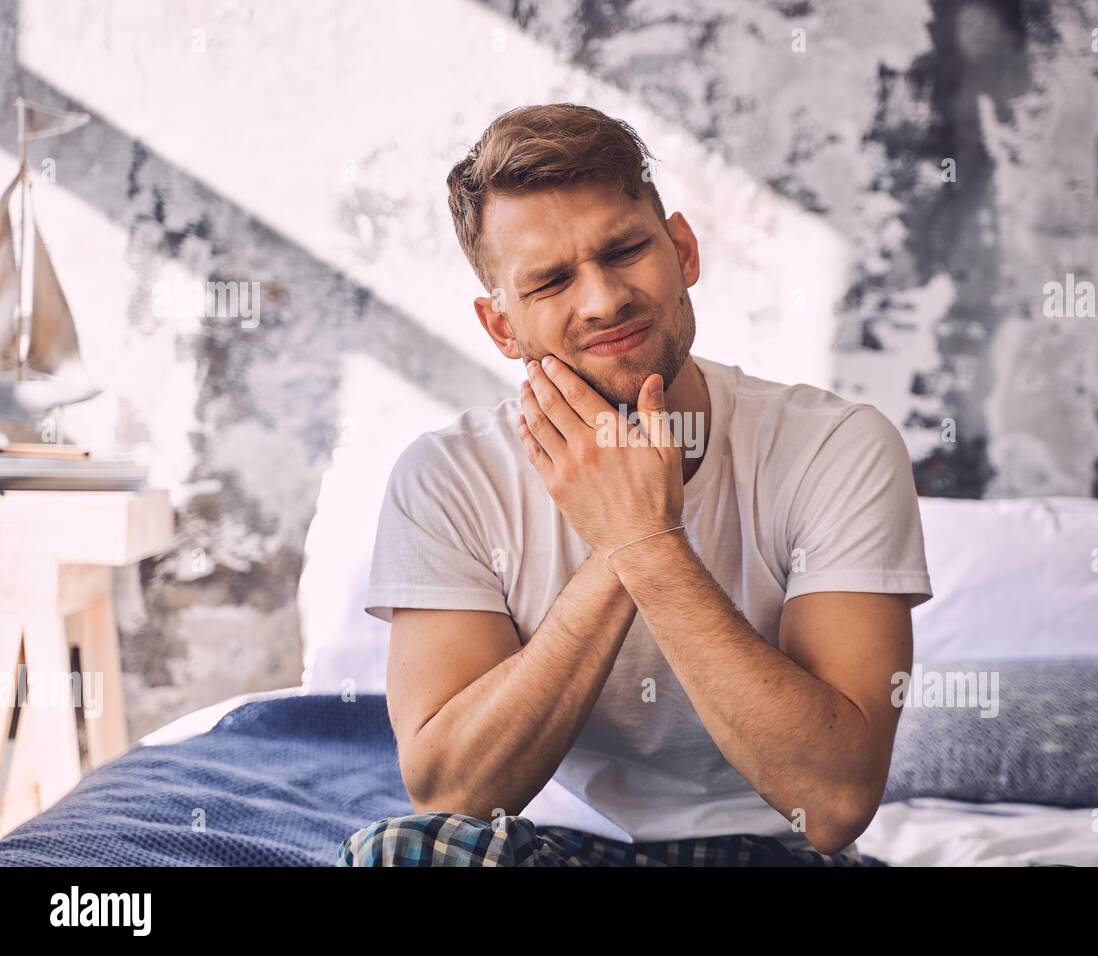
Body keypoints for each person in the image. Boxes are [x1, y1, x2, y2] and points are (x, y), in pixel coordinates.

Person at [336, 103, 932, 867]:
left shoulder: (838, 448)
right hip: (544, 852)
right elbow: (451, 794)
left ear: (681, 249)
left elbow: (836, 802)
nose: (604, 300)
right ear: (502, 327)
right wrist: (623, 538)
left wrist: (649, 542)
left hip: (778, 855)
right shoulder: (448, 476)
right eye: (551, 281)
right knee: (401, 855)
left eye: (624, 250)